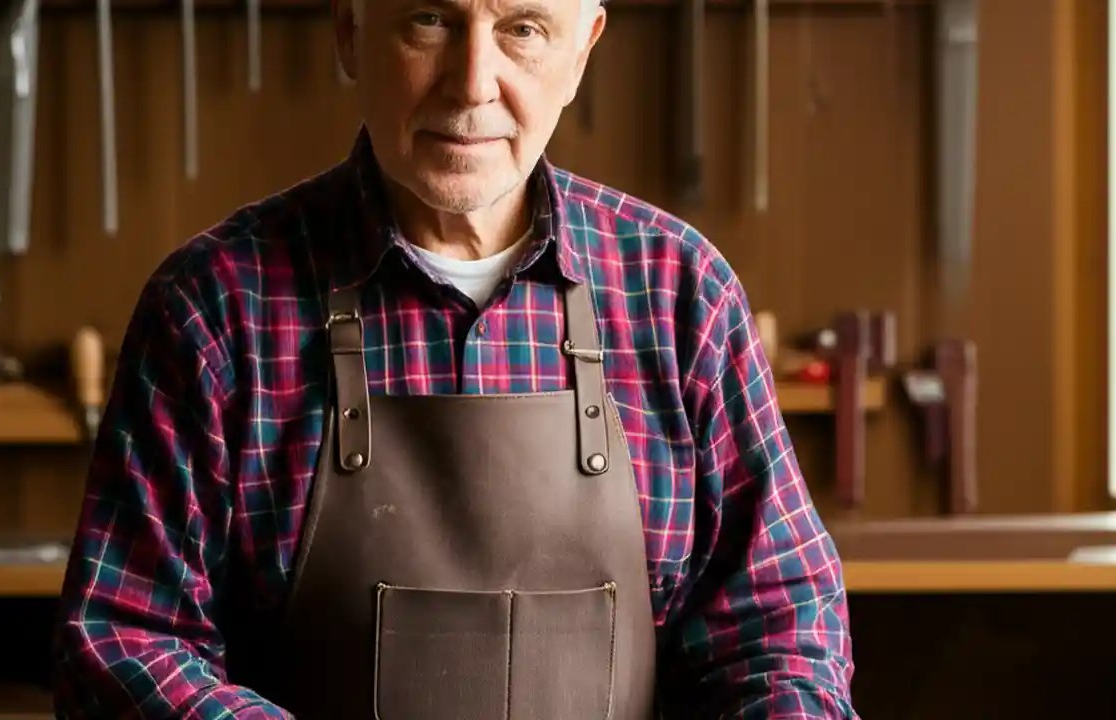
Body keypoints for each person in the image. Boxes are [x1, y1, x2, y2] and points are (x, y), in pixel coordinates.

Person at [52, 0, 857, 716]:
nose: (473, 85)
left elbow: (783, 634)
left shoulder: (679, 294)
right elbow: (125, 642)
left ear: (581, 50)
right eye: (430, 20)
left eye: (523, 29)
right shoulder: (214, 308)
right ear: (350, 30)